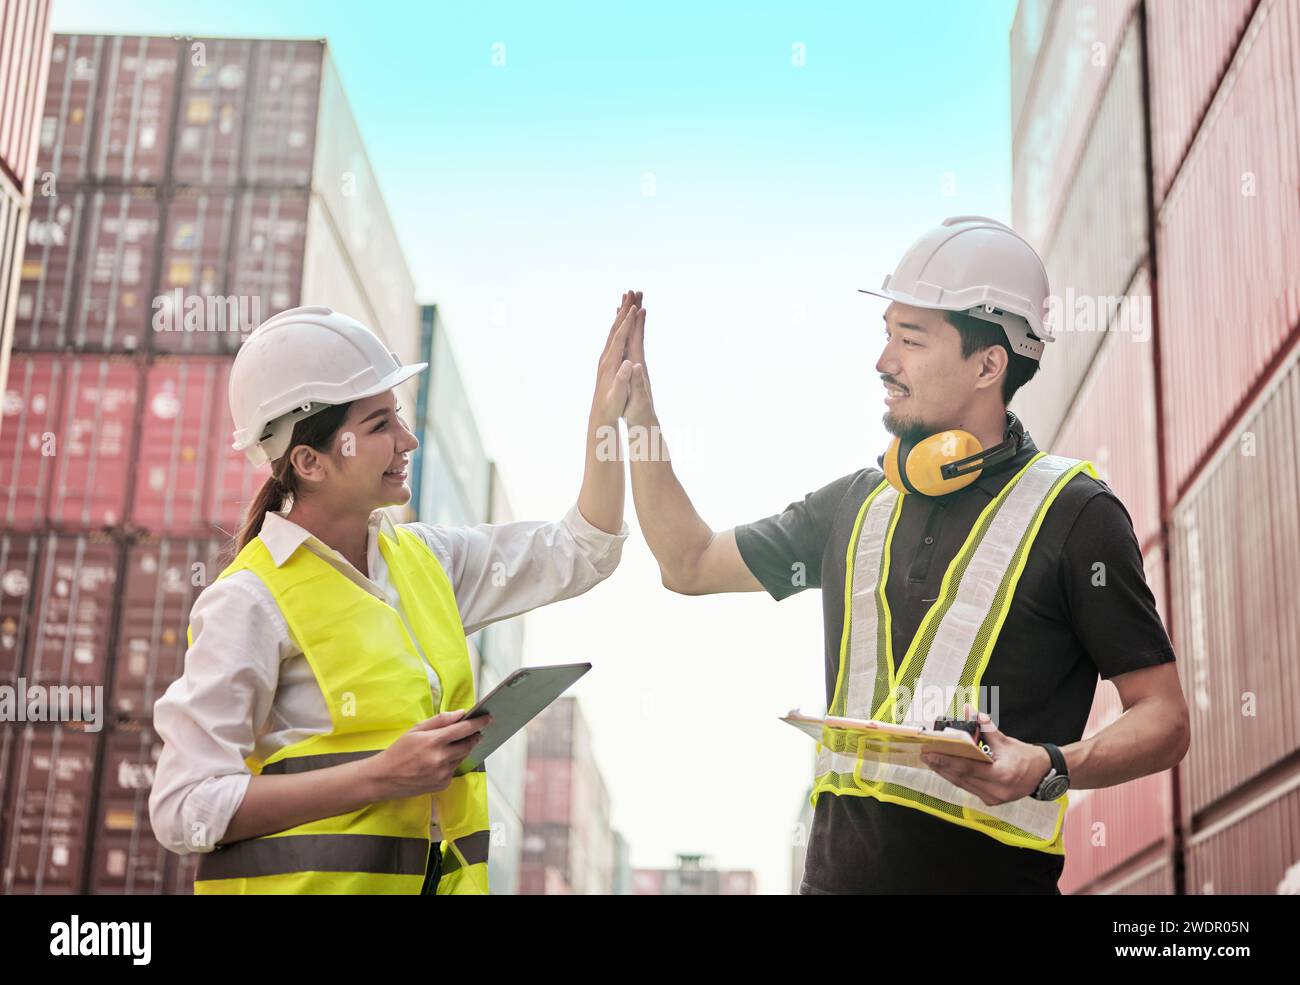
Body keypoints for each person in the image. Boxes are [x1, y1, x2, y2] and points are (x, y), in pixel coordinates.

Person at [622, 217, 1190, 894]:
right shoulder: (856, 502)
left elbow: (1164, 718)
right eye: (887, 333)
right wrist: (638, 420)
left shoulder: (1077, 515)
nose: (883, 362)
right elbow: (687, 563)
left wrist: (1047, 764)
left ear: (989, 364)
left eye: (910, 340)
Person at [149, 293, 644, 894]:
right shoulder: (249, 601)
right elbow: (183, 807)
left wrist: (605, 417)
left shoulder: (426, 560)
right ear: (309, 460)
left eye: (398, 417)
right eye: (380, 425)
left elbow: (585, 549)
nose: (408, 441)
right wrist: (380, 776)